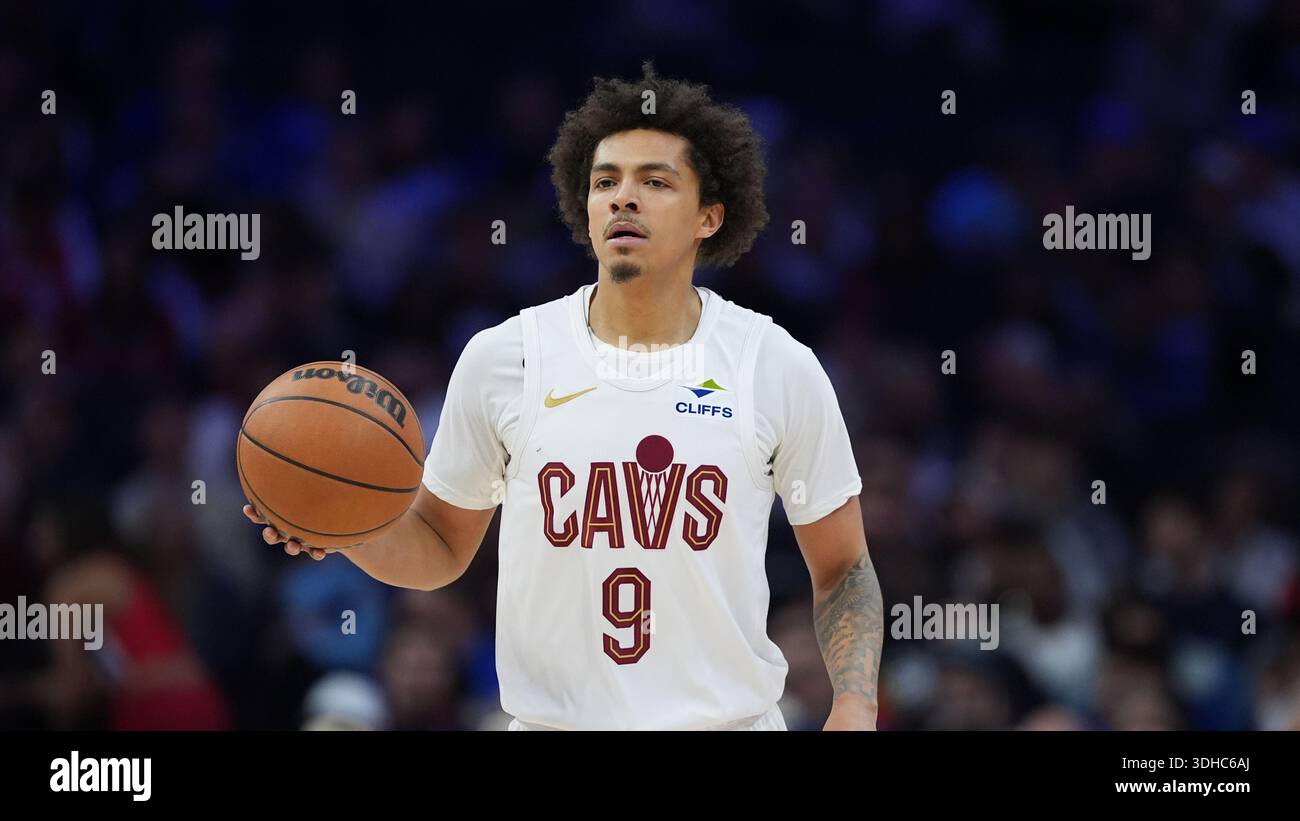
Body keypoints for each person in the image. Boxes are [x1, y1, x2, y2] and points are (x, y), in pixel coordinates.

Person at [244, 62, 882, 730]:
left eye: (654, 181)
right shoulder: (504, 358)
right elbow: (436, 547)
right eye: (605, 181)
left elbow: (843, 567)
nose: (623, 197)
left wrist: (855, 703)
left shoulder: (775, 364)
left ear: (709, 216)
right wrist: (346, 524)